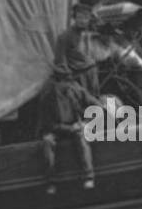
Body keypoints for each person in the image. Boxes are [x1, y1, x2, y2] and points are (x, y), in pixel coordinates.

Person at [38, 64, 99, 194]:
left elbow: (95, 105)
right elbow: (49, 125)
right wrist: (70, 128)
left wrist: (86, 123)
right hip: (56, 130)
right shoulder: (47, 97)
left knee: (82, 138)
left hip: (75, 126)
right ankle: (52, 181)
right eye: (63, 81)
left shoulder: (75, 90)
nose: (67, 84)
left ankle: (88, 177)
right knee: (47, 142)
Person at [53, 2, 106, 96]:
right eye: (79, 17)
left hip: (92, 72)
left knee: (95, 99)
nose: (82, 21)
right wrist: (68, 78)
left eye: (86, 18)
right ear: (74, 18)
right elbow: (60, 61)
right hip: (78, 76)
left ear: (89, 19)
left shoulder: (90, 33)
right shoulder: (65, 36)